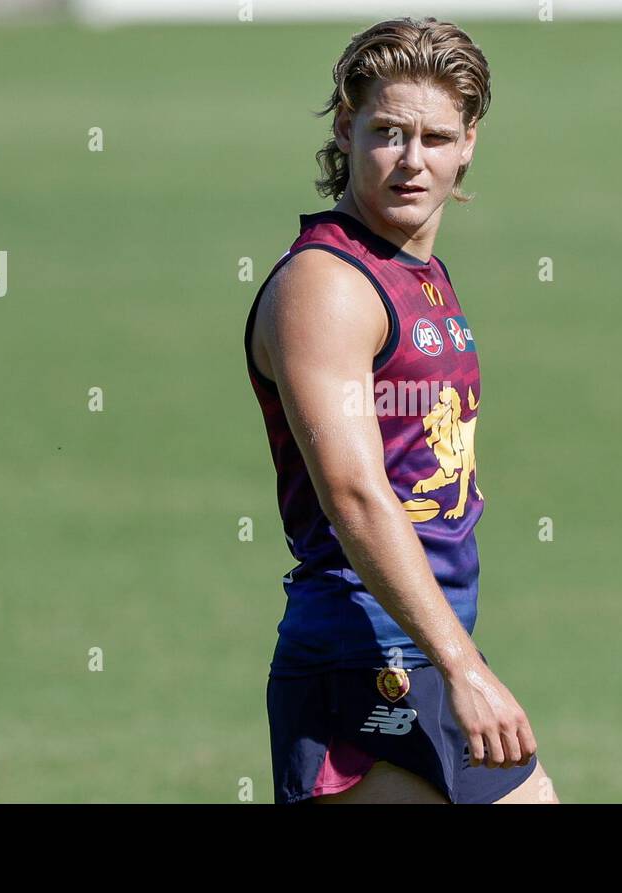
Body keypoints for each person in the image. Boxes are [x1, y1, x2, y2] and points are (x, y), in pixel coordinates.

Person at [244, 16, 558, 804]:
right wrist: (462, 666)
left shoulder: (417, 272)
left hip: (413, 648)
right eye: (388, 133)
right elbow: (353, 492)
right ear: (346, 130)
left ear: (469, 143)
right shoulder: (328, 286)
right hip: (364, 663)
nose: (413, 161)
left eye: (436, 137)